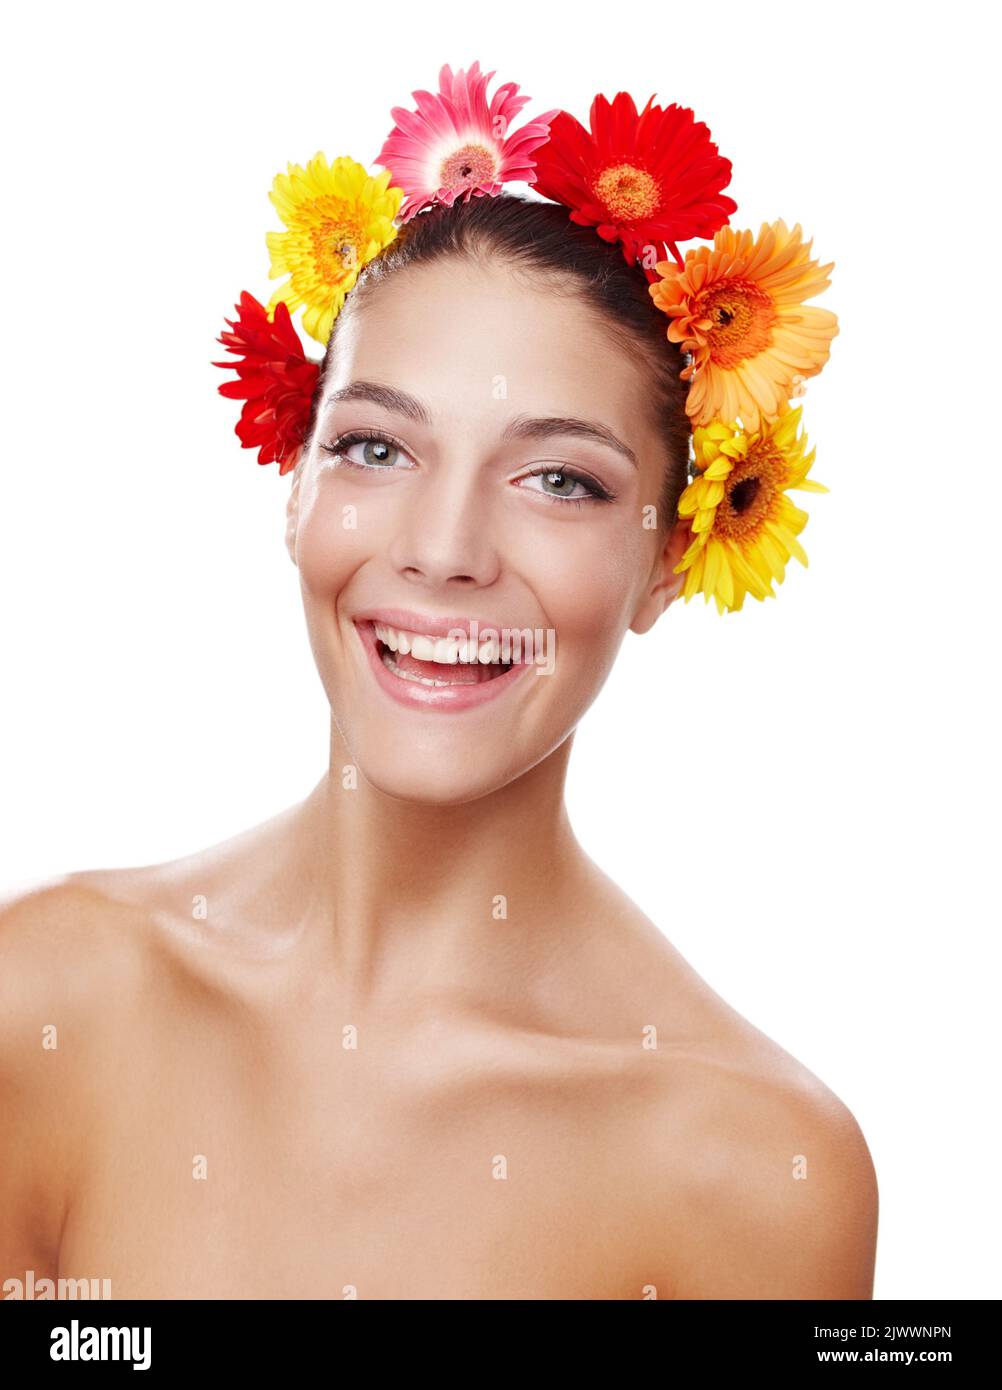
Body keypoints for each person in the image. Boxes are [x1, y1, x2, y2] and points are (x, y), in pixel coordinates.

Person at [0, 66, 876, 1301]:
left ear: (672, 553)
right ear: (296, 481)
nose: (443, 549)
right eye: (375, 446)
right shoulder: (45, 1001)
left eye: (559, 478)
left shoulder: (753, 1167)